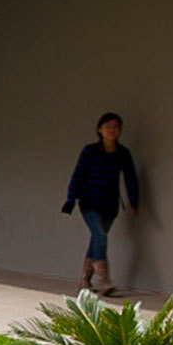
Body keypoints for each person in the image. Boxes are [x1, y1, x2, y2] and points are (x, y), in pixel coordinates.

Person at [60, 114, 142, 296]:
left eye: (116, 126)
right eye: (108, 126)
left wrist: (134, 201)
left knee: (96, 239)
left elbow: (131, 179)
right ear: (99, 129)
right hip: (89, 203)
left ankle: (85, 281)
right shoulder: (90, 151)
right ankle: (104, 281)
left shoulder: (123, 153)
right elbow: (78, 175)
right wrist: (71, 199)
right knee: (100, 236)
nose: (112, 129)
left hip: (110, 205)